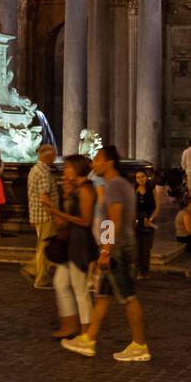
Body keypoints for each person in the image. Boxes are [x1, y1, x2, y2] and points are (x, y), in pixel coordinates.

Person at [61, 146, 150, 362]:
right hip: (120, 246)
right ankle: (88, 339)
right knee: (103, 296)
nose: (94, 163)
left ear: (109, 162)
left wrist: (106, 250)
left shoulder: (114, 186)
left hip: (118, 249)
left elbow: (113, 219)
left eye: (98, 159)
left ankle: (140, 345)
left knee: (128, 297)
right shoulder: (121, 185)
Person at [45, 154, 96, 338]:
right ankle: (70, 324)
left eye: (67, 168)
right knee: (60, 283)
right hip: (71, 244)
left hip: (81, 245)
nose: (64, 171)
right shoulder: (74, 190)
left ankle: (87, 332)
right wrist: (62, 201)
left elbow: (86, 220)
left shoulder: (86, 190)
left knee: (80, 289)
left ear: (77, 169)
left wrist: (107, 248)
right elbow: (62, 223)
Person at [21, 145, 57, 283]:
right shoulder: (43, 172)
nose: (55, 157)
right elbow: (44, 197)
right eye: (53, 154)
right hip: (45, 215)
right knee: (45, 246)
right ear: (47, 156)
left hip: (38, 214)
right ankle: (39, 276)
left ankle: (33, 270)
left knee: (44, 245)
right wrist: (56, 213)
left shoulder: (35, 169)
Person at [133, 169, 160, 279]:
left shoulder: (152, 189)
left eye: (142, 176)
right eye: (138, 177)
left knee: (146, 248)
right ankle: (139, 271)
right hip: (137, 222)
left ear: (146, 177)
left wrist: (151, 218)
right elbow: (132, 207)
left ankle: (146, 270)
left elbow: (157, 207)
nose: (140, 179)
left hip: (150, 221)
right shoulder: (134, 190)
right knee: (138, 247)